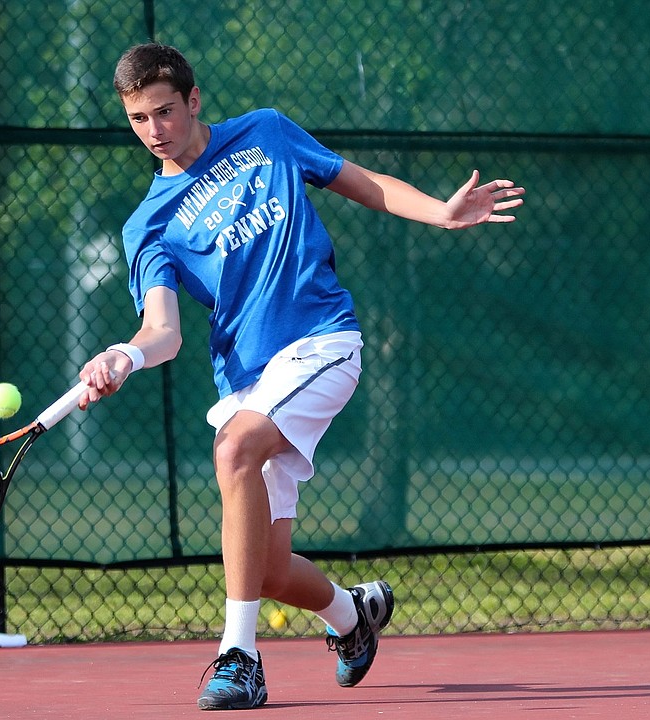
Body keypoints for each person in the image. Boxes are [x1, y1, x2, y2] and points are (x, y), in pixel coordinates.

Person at [74, 43, 524, 711]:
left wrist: (440, 210)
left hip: (322, 341)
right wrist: (124, 356)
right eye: (138, 119)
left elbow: (361, 180)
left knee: (233, 449)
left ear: (193, 101)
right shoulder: (149, 225)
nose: (154, 130)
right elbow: (161, 332)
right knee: (266, 566)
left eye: (164, 111)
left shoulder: (266, 131)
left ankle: (240, 658)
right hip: (248, 382)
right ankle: (352, 616)